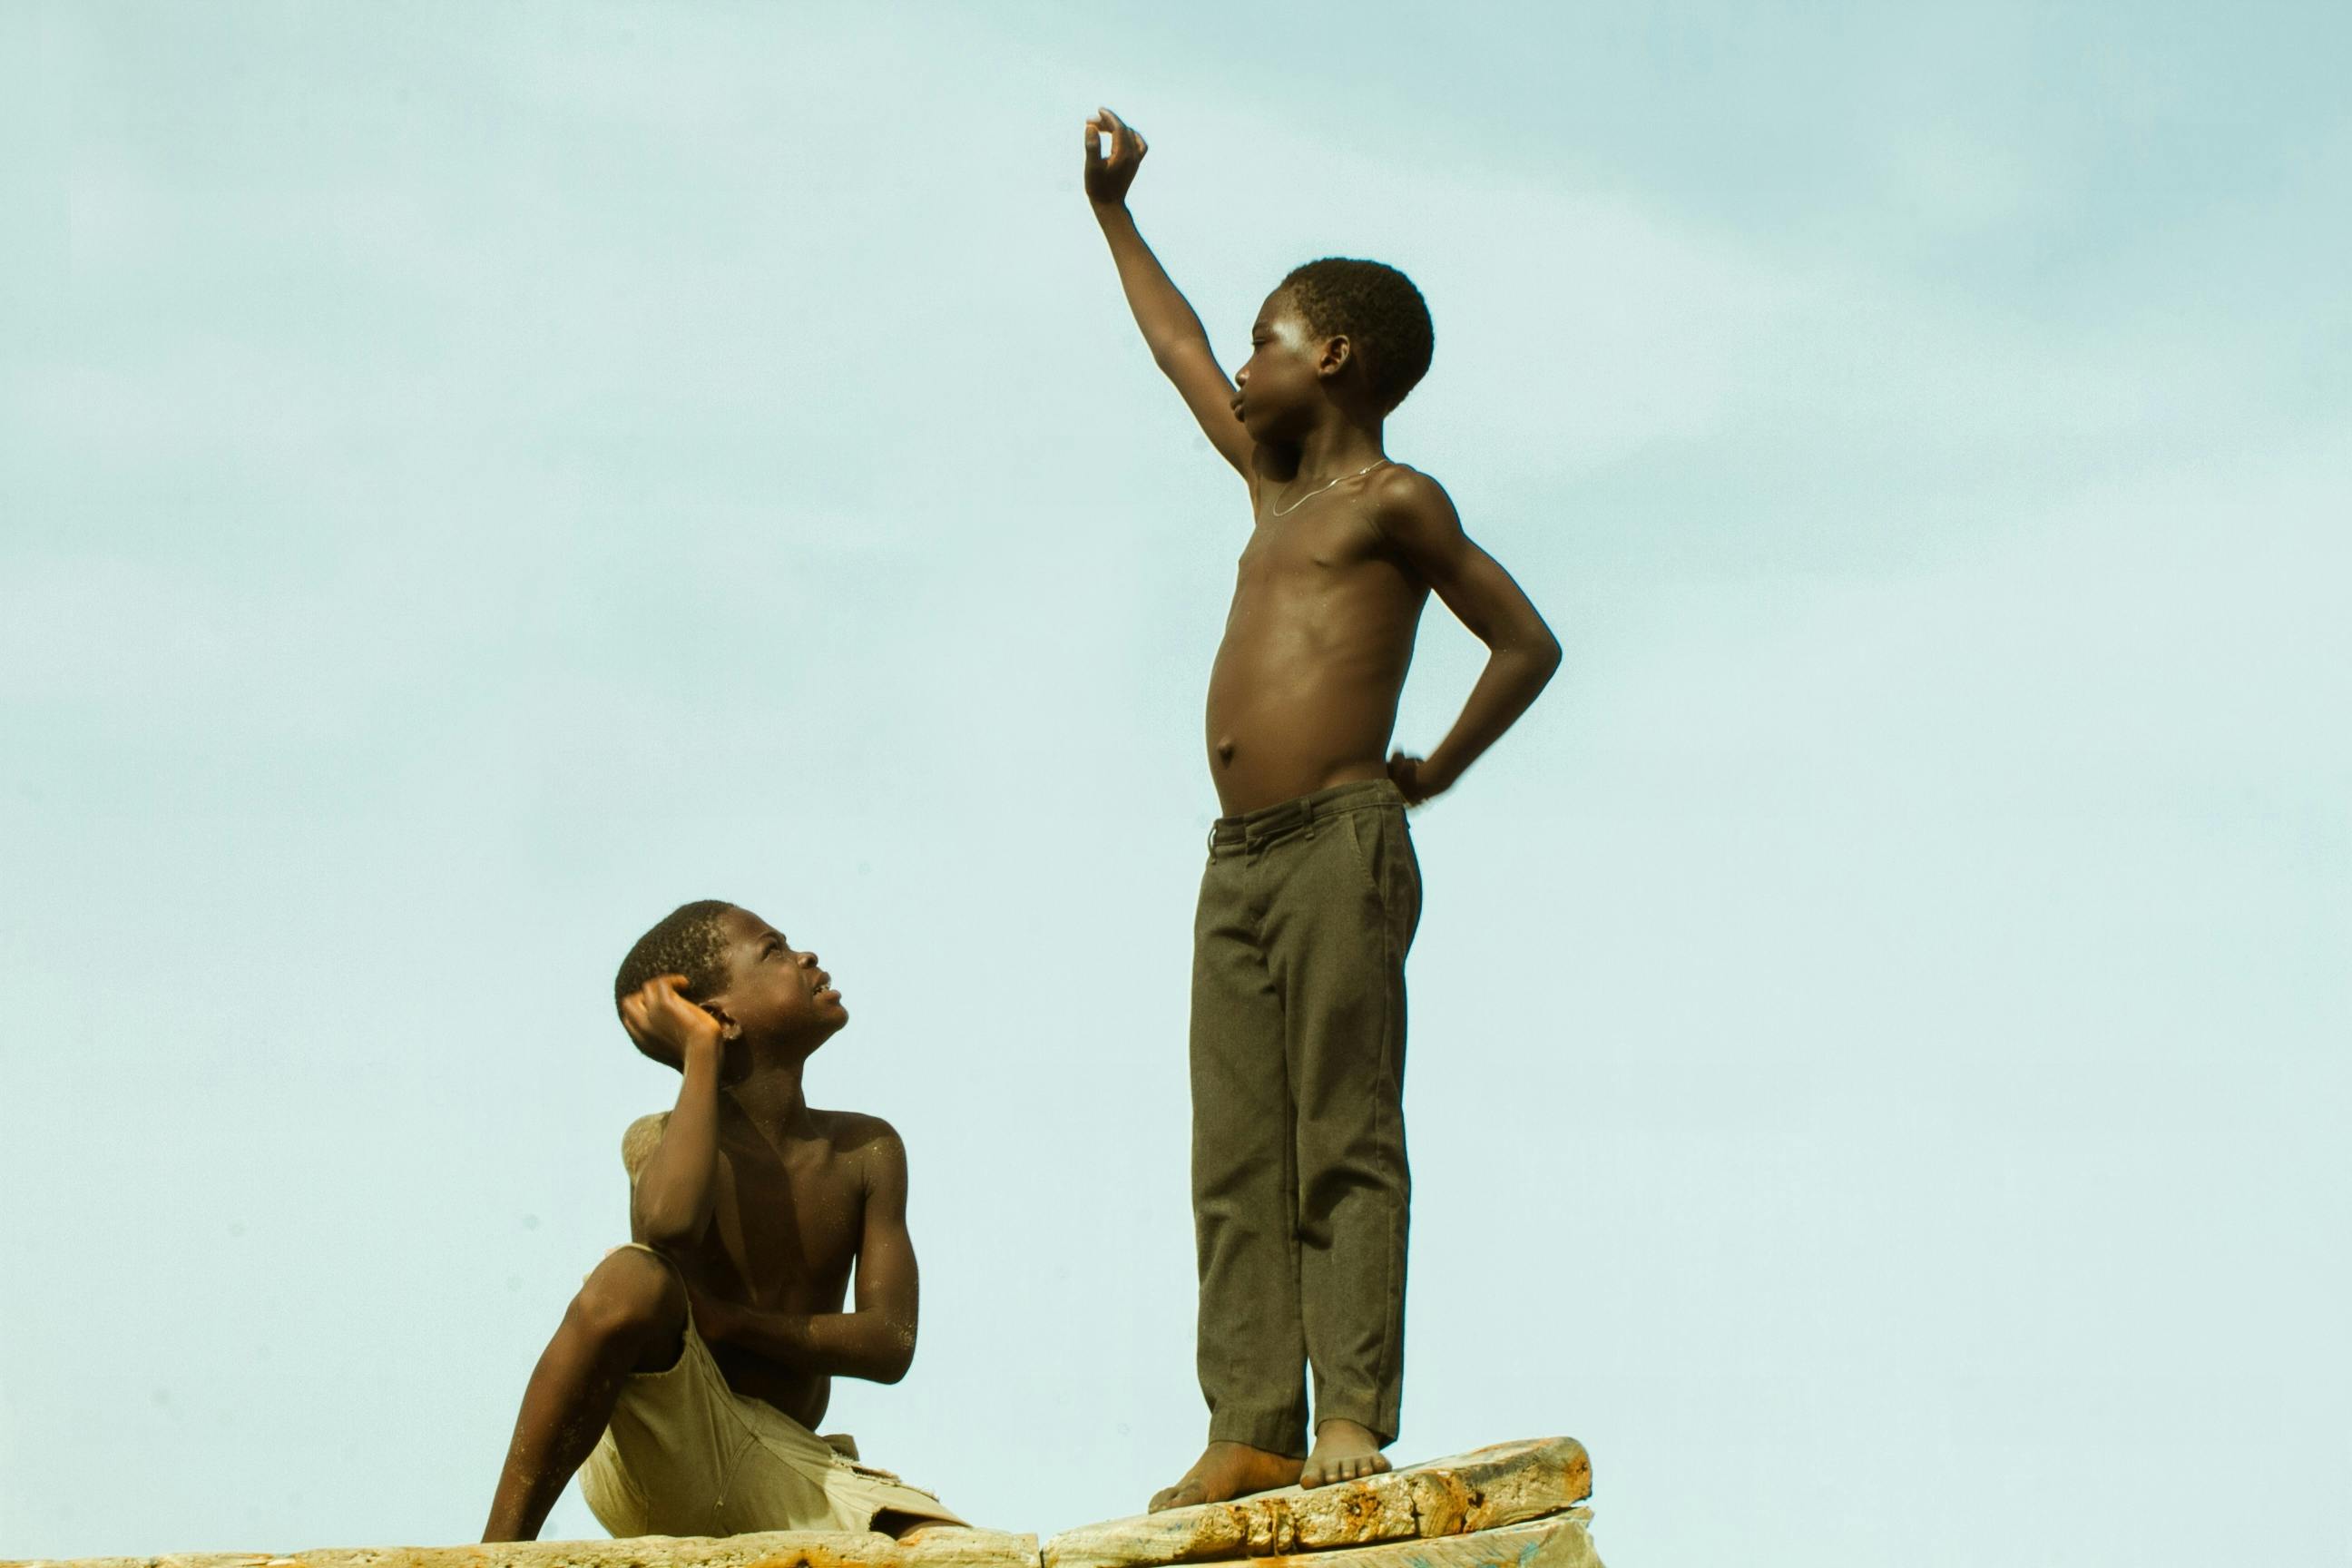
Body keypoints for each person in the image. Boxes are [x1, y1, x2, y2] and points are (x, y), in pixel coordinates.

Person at [1082, 106, 1563, 1510]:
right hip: (1235, 863)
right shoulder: (1268, 489)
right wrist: (1113, 214)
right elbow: (1171, 348)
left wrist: (1439, 767)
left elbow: (1524, 642)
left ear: (1331, 359)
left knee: (1339, 1133)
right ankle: (1251, 1421)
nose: (1236, 369)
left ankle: (1349, 1404)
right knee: (1232, 1149)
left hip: (1344, 847)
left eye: (1263, 343)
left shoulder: (1393, 501)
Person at [481, 900, 966, 1542]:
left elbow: (889, 1340)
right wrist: (701, 1055)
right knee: (629, 1276)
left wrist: (735, 1322)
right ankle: (496, 1552)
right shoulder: (657, 1143)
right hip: (669, 1445)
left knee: (951, 1547)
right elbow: (668, 1231)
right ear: (718, 1017)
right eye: (773, 950)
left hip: (782, 1462)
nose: (806, 957)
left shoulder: (868, 1151)